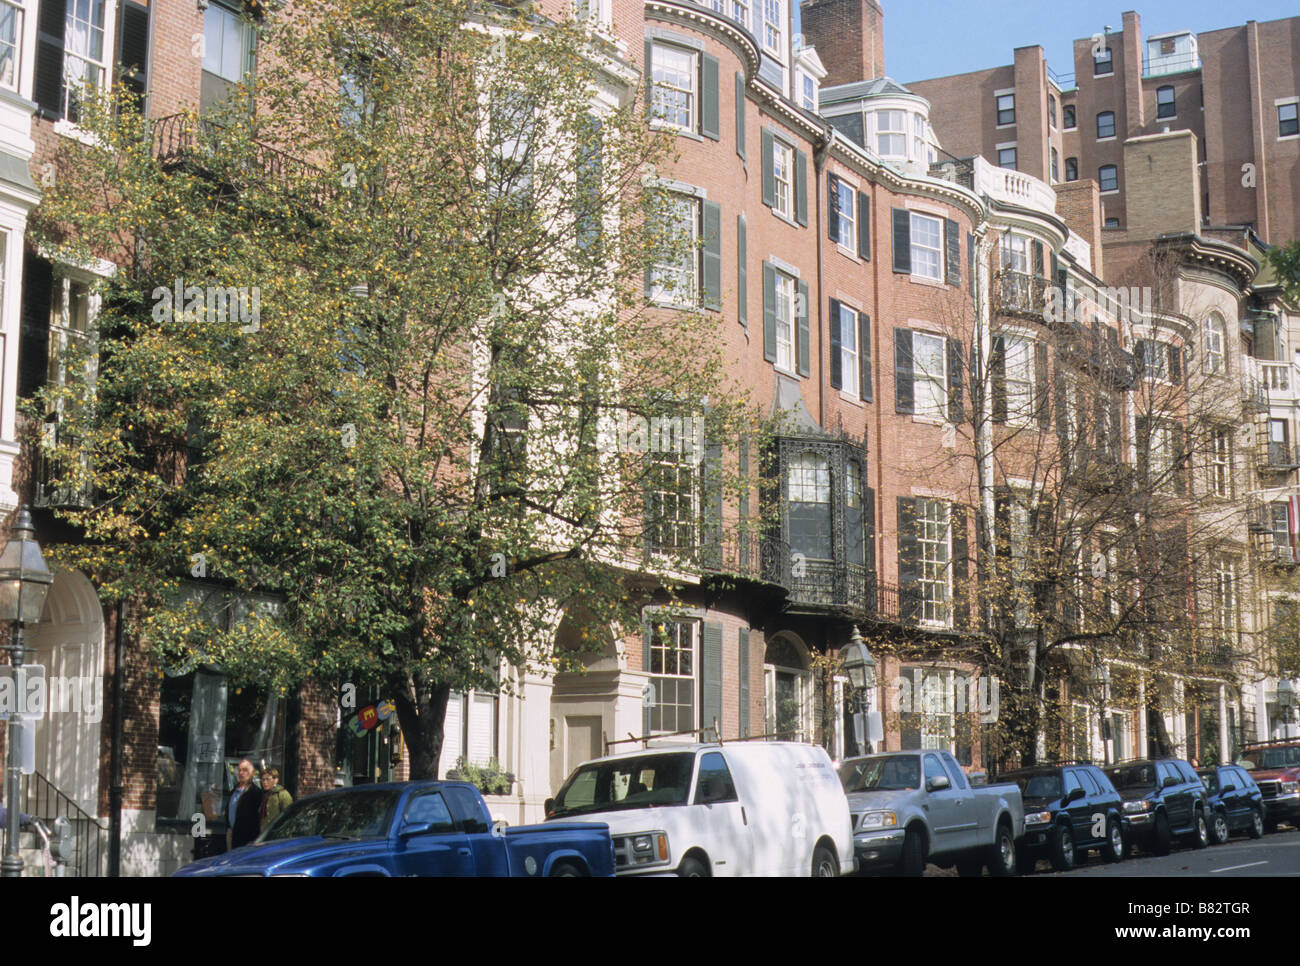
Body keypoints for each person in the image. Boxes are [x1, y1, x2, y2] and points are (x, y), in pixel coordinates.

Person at [226, 758, 264, 850]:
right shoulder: (233, 792)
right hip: (232, 835)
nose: (242, 773)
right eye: (239, 770)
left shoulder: (256, 793)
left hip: (247, 839)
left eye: (245, 770)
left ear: (252, 773)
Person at [259, 767, 292, 831]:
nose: (265, 782)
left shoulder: (282, 794)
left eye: (268, 779)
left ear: (275, 780)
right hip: (264, 833)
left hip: (277, 832)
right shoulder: (264, 795)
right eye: (263, 780)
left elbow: (289, 816)